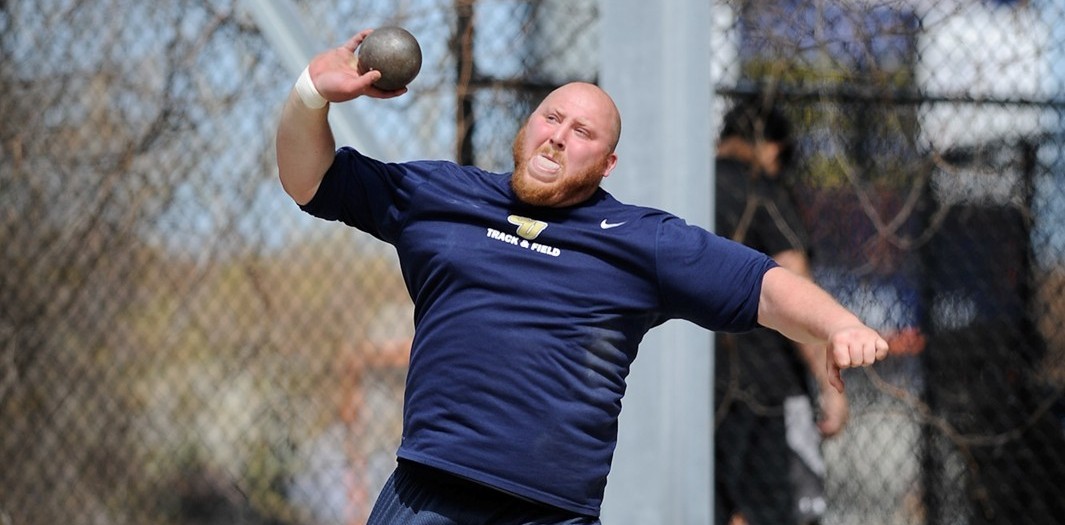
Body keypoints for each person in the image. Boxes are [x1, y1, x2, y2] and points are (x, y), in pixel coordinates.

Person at [275, 29, 890, 525]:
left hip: (553, 511)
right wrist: (311, 92)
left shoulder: (640, 240)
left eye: (582, 132)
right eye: (551, 118)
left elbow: (763, 284)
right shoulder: (441, 197)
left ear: (607, 162)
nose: (558, 137)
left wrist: (837, 324)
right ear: (527, 127)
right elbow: (311, 181)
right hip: (429, 494)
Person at [712, 99, 848, 525]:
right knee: (787, 511)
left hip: (700, 389)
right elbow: (796, 288)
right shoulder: (761, 190)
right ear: (770, 148)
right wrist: (831, 385)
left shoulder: (684, 186)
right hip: (768, 387)